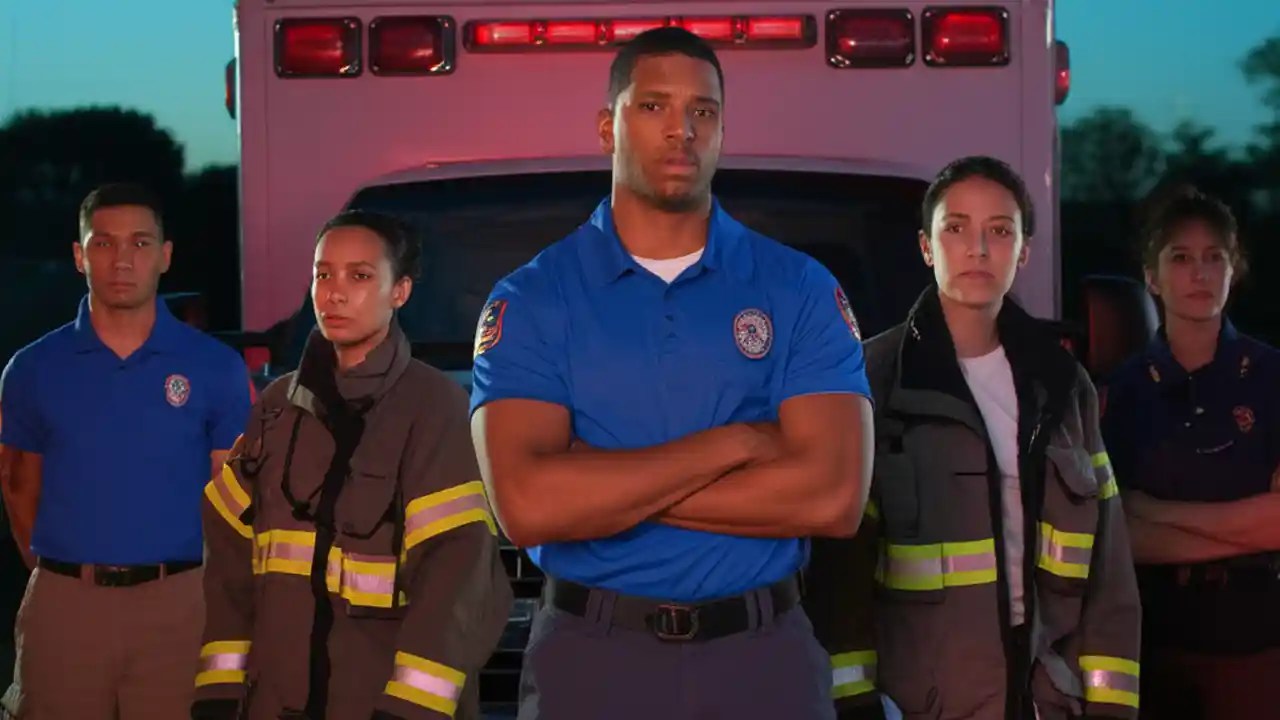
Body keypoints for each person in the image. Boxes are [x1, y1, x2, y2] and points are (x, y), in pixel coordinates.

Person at [469, 26, 874, 720]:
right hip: (593, 658)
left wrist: (600, 484)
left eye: (703, 111)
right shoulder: (533, 298)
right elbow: (528, 506)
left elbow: (833, 496)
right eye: (653, 106)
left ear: (721, 128)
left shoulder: (797, 288)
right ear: (608, 126)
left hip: (763, 654)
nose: (682, 129)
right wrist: (738, 443)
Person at [806, 156, 1142, 720]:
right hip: (920, 705)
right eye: (956, 228)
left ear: (1023, 252)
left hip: (1046, 704)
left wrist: (1110, 708)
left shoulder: (1062, 386)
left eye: (1000, 231)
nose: (978, 248)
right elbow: (838, 578)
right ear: (926, 247)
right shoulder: (871, 379)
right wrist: (853, 702)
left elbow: (1109, 572)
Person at [192, 210, 512, 720]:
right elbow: (228, 554)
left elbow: (458, 578)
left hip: (379, 703)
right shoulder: (277, 407)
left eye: (359, 276)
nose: (334, 293)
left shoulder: (435, 409)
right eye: (323, 274)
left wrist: (410, 706)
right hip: (274, 702)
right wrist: (219, 688)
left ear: (400, 291)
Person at [0, 183, 254, 719]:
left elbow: (232, 499)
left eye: (140, 244)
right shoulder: (33, 368)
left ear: (165, 255)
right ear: (79, 255)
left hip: (181, 605)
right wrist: (71, 574)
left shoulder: (215, 367)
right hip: (66, 604)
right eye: (103, 243)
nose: (121, 260)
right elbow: (19, 485)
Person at [1099, 188, 1280, 720]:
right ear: (1151, 277)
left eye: (1214, 258)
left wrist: (1159, 512)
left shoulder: (1272, 377)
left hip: (1257, 639)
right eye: (1180, 258)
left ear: (1234, 270)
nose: (1199, 274)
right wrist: (1240, 531)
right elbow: (1118, 536)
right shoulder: (1122, 392)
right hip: (1152, 644)